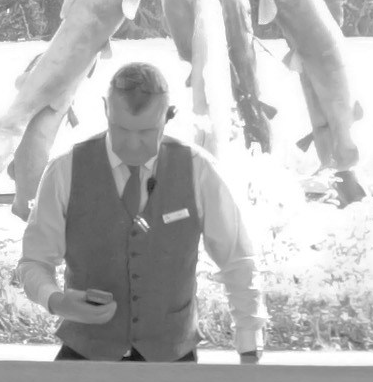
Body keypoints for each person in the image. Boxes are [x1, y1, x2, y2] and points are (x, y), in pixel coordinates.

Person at [20, 59, 261, 362]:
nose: (133, 145)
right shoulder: (64, 170)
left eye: (147, 132)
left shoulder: (199, 171)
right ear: (105, 108)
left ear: (169, 115)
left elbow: (238, 259)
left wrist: (249, 345)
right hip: (85, 356)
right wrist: (57, 301)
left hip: (173, 358)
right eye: (121, 130)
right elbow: (33, 263)